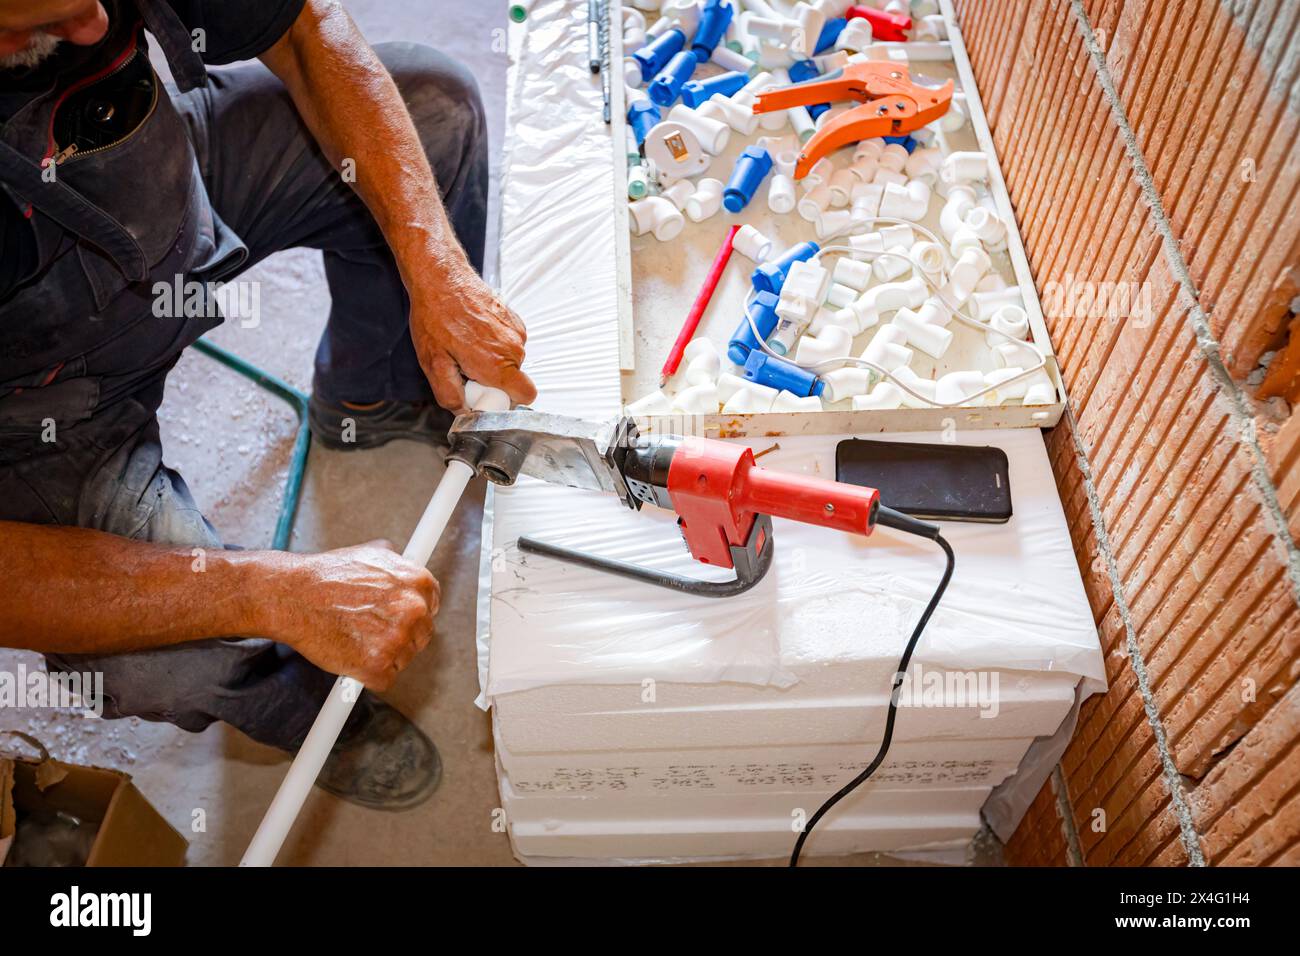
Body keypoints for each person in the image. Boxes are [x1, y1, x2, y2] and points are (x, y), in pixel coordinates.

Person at [0, 0, 536, 810]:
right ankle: (317, 705)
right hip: (34, 404)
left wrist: (435, 264)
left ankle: (373, 395)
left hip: (160, 177)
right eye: (44, 18)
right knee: (166, 656)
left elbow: (306, 26)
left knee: (434, 109)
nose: (96, 25)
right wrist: (270, 593)